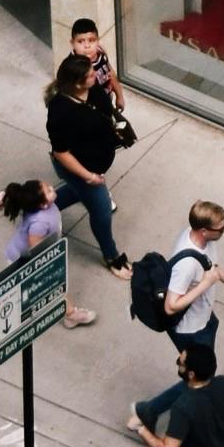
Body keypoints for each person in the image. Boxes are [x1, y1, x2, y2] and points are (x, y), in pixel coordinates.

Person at [45, 23, 133, 278]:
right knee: (102, 210)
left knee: (76, 192)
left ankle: (39, 206)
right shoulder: (61, 112)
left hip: (93, 165)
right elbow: (61, 153)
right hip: (83, 170)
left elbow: (104, 102)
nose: (95, 74)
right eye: (90, 74)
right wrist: (89, 176)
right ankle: (111, 256)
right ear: (77, 84)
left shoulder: (90, 88)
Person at [0, 176, 95, 325]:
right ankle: (71, 314)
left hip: (23, 255)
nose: (51, 188)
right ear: (43, 205)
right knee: (54, 282)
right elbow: (36, 248)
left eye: (48, 186)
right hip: (22, 260)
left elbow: (20, 193)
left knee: (31, 288)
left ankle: (67, 314)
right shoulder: (39, 223)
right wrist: (48, 266)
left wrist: (4, 196)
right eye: (48, 190)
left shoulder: (41, 205)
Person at [163, 200, 224, 372]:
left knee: (203, 368)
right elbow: (170, 307)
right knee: (203, 373)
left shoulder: (203, 238)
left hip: (203, 316)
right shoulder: (186, 265)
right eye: (221, 229)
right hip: (191, 329)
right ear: (204, 231)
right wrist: (206, 283)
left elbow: (211, 266)